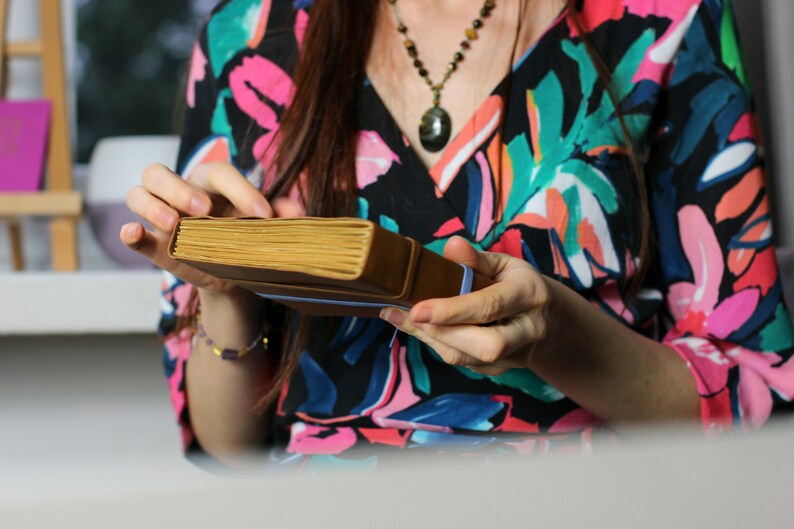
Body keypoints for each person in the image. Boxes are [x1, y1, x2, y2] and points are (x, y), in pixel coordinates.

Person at [121, 0, 794, 469]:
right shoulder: (244, 37)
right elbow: (229, 448)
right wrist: (225, 290)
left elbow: (757, 398)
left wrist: (558, 336)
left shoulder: (665, 20)